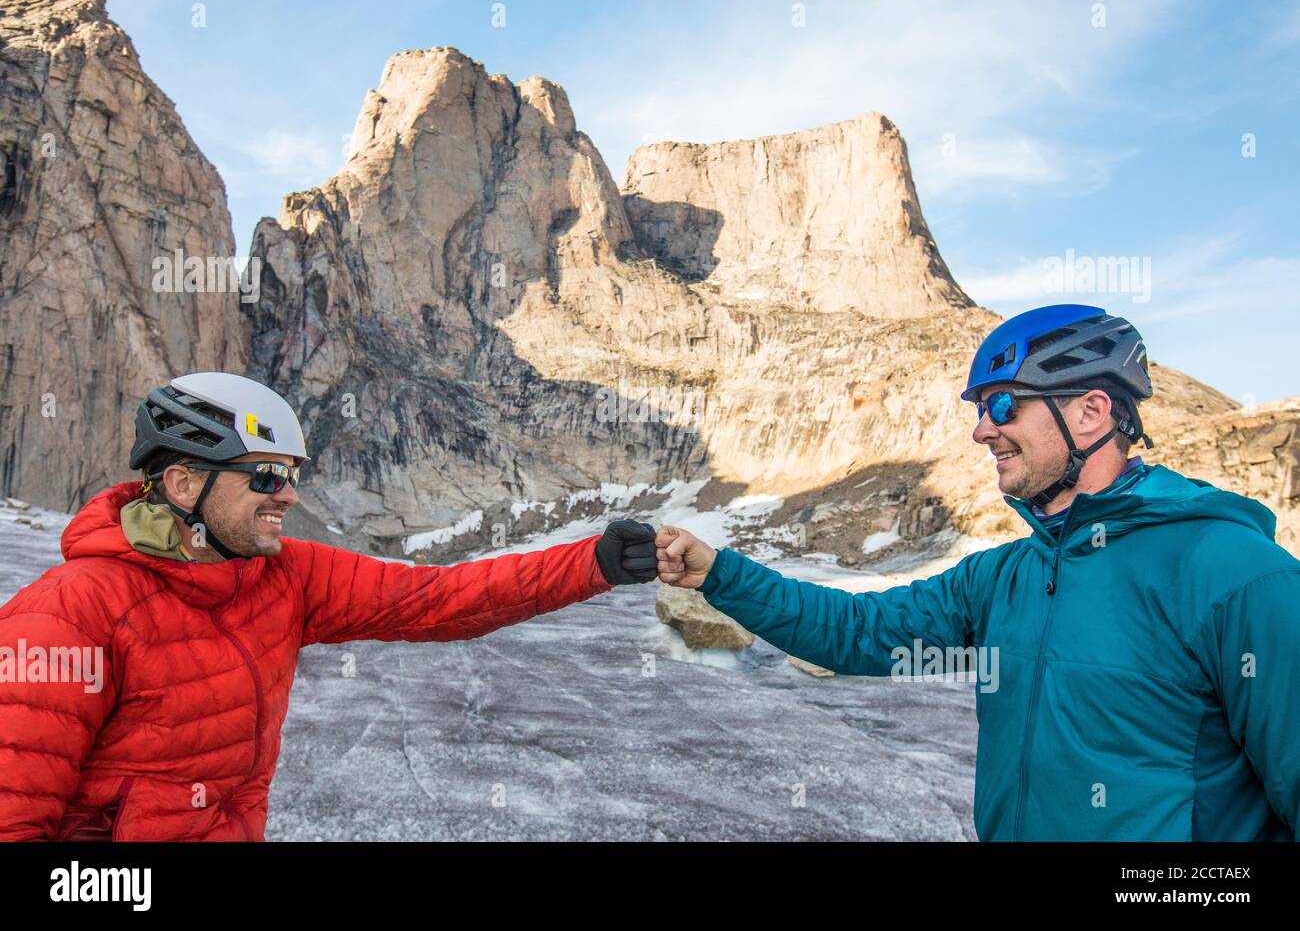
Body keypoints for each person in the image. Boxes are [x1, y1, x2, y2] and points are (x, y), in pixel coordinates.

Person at [656, 304, 1300, 841]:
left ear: (1091, 413)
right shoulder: (1005, 576)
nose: (980, 432)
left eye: (1002, 406)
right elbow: (855, 631)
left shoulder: (1234, 572)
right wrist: (718, 572)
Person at [0, 372, 657, 841]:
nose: (287, 496)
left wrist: (590, 564)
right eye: (264, 476)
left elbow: (434, 600)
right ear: (183, 483)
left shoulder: (285, 577)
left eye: (291, 476)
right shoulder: (67, 615)